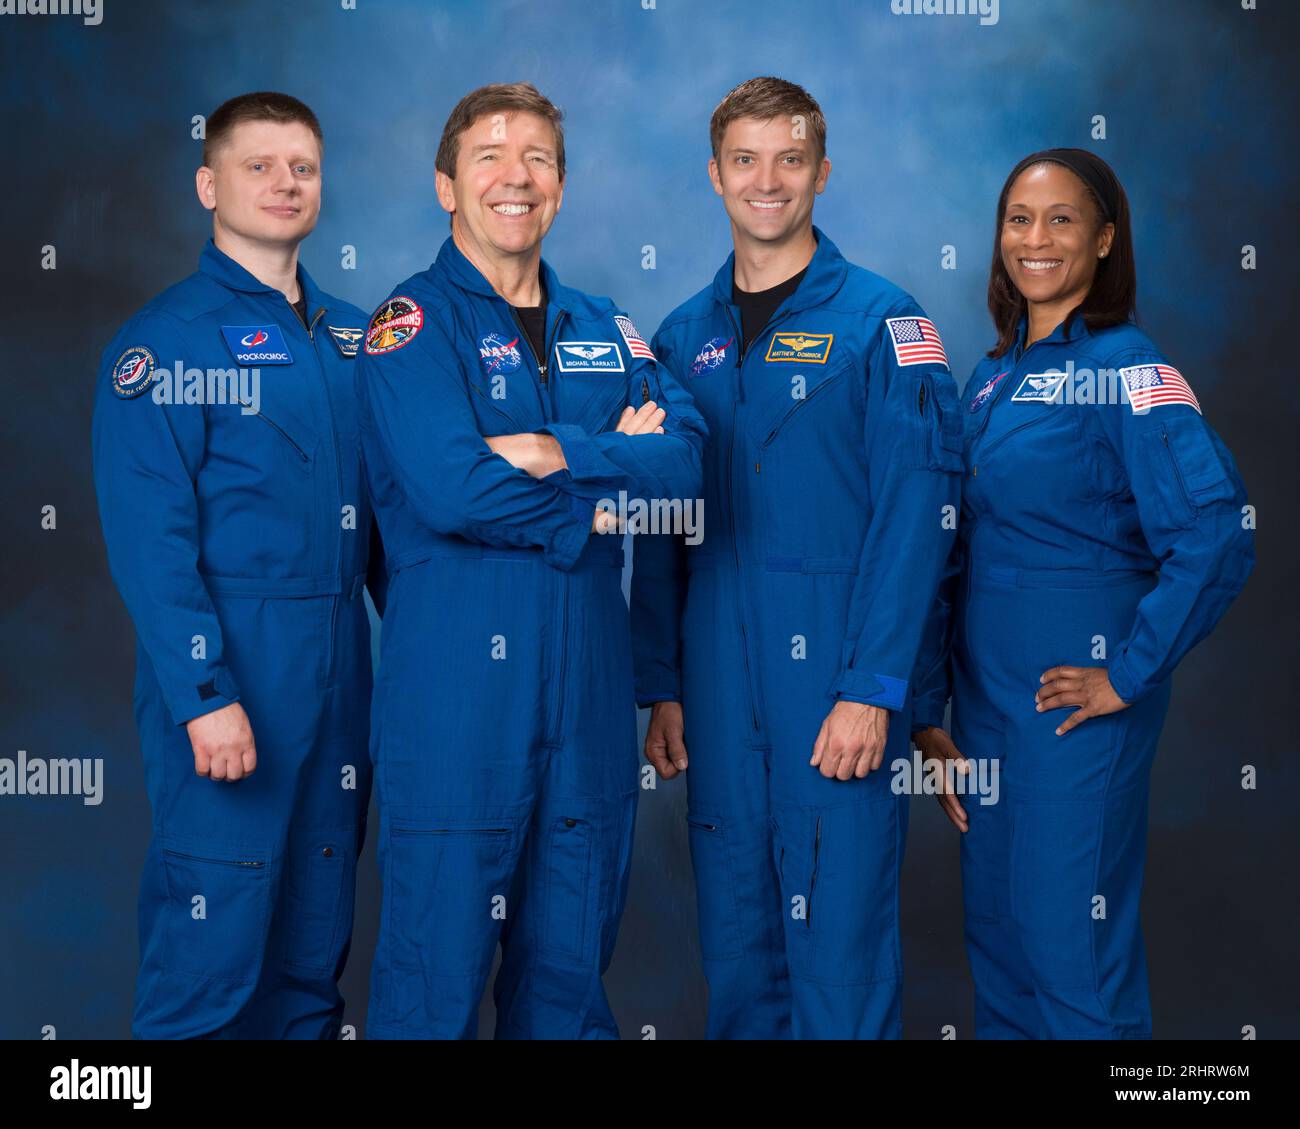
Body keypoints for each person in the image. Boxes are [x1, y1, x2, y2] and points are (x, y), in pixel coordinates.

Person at [355, 82, 706, 1040]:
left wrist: (556, 452)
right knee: (434, 980)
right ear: (445, 186)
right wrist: (602, 490)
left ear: (561, 185)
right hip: (459, 704)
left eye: (539, 159)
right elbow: (451, 490)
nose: (517, 178)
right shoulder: (408, 326)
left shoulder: (606, 326)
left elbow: (688, 455)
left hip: (589, 705)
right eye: (490, 158)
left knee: (566, 984)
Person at [630, 77, 963, 1039]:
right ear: (714, 174)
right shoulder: (680, 337)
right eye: (745, 159)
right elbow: (661, 526)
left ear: (823, 171)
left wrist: (874, 686)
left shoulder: (883, 326)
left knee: (842, 956)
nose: (766, 180)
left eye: (789, 159)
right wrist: (662, 681)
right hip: (718, 694)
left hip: (835, 691)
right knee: (738, 950)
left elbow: (919, 521)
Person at [910, 148, 1254, 1039]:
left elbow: (1217, 529)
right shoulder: (989, 378)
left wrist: (1128, 673)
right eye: (1019, 219)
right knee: (1002, 946)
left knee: (1070, 957)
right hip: (985, 711)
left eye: (1062, 219)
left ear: (1104, 239)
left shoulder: (1128, 366)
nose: (1036, 238)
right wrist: (929, 712)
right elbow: (951, 553)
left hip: (1076, 715)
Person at [91, 92, 382, 1039]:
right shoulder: (161, 345)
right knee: (213, 942)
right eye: (259, 166)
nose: (285, 184)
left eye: (302, 167)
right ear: (210, 184)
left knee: (313, 939)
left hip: (343, 667)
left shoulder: (356, 338)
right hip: (235, 668)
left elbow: (398, 518)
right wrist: (204, 692)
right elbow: (151, 542)